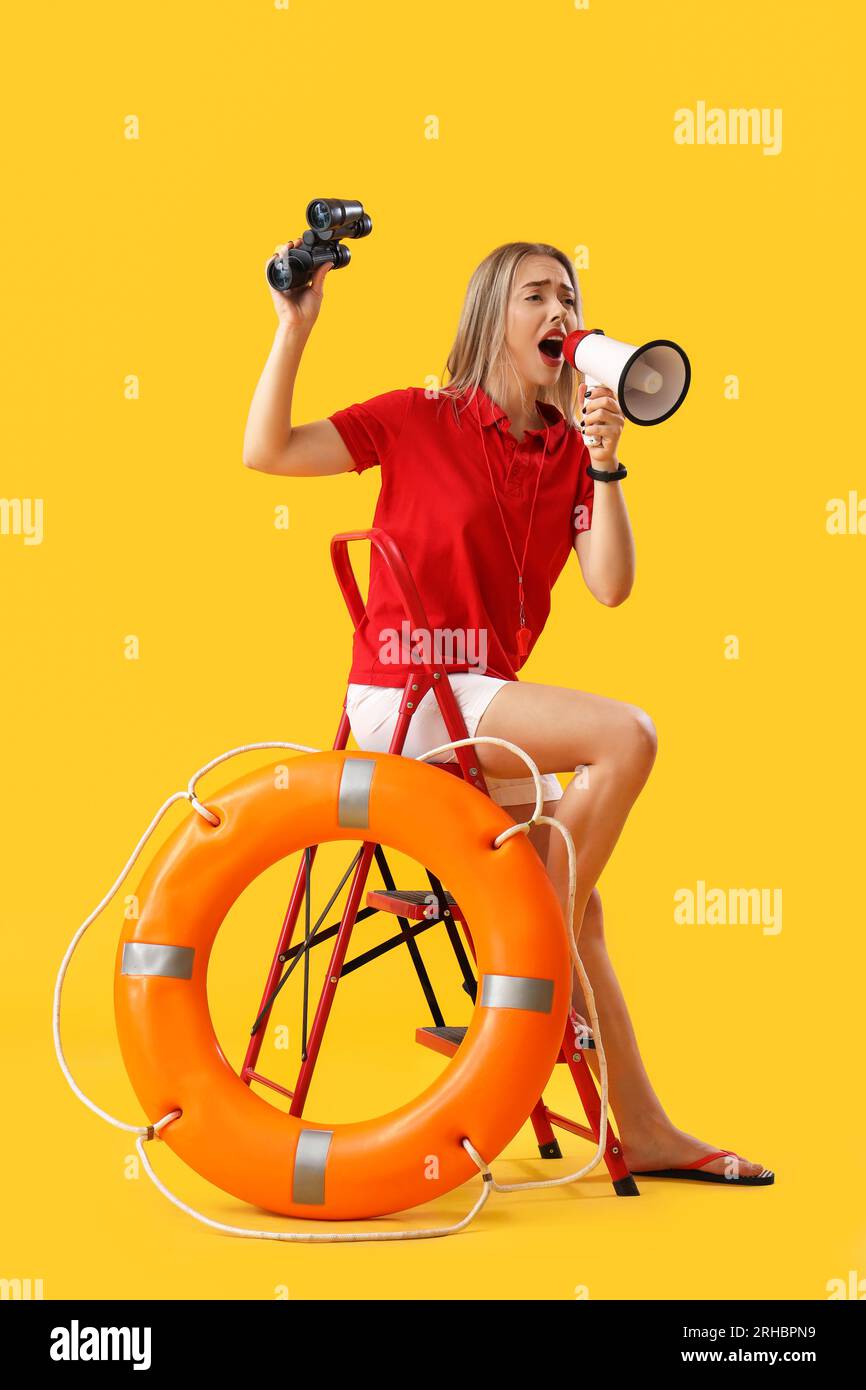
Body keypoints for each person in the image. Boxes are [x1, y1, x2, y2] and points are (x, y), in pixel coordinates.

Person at [243, 239, 773, 1187]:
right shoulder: (417, 418)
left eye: (568, 295)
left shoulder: (566, 452)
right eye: (537, 294)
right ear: (495, 316)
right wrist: (295, 328)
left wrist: (607, 464)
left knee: (586, 906)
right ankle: (522, 951)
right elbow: (267, 452)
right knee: (625, 737)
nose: (559, 309)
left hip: (479, 707)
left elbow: (610, 587)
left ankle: (639, 1123)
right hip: (406, 699)